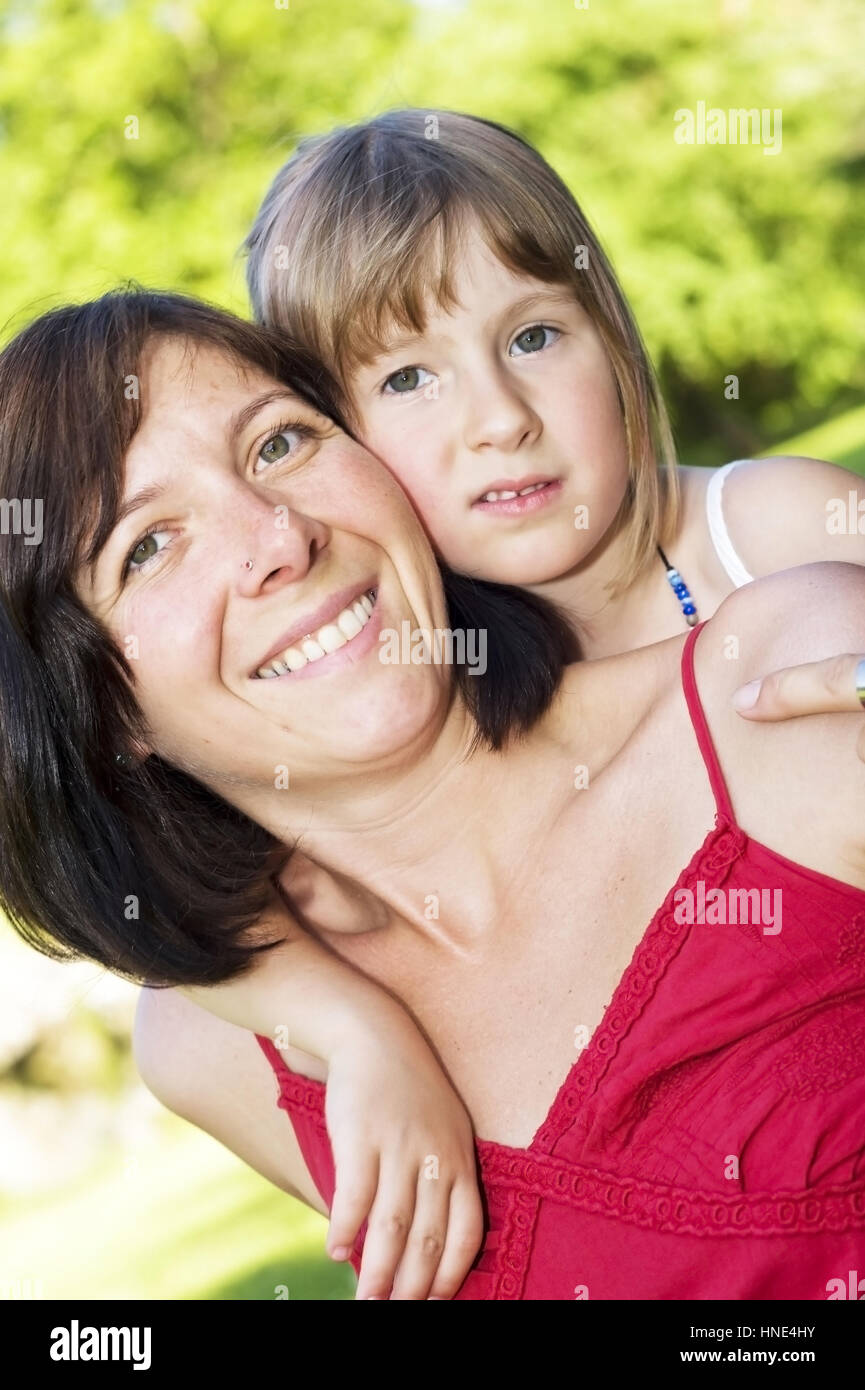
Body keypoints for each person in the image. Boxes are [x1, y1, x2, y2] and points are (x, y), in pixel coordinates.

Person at [2, 290, 864, 1301]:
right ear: (103, 716)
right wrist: (358, 1027)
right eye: (148, 545)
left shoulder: (782, 696)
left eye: (279, 442)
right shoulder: (222, 1050)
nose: (278, 535)